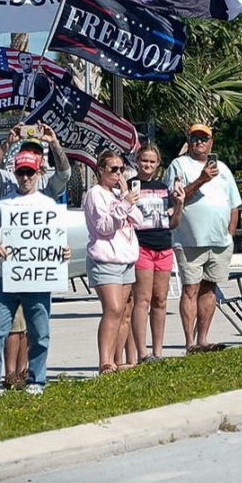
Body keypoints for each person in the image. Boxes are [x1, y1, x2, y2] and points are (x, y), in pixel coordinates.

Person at [0, 147, 68, 395]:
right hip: (7, 277)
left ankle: (36, 380)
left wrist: (63, 253)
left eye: (29, 172)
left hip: (37, 279)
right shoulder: (4, 203)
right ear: (15, 173)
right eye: (20, 172)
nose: (25, 177)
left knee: (40, 333)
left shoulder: (48, 204)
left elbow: (56, 242)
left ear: (38, 172)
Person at [164, 122, 242, 351]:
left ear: (211, 142)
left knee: (210, 289)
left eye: (204, 138)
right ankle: (190, 342)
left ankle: (203, 339)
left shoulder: (224, 169)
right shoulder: (179, 165)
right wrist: (201, 179)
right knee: (190, 289)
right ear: (188, 141)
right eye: (195, 138)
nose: (200, 142)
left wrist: (231, 233)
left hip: (219, 241)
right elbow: (175, 199)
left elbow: (234, 204)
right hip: (190, 240)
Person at [83, 150, 143, 372]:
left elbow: (138, 220)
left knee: (125, 312)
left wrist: (126, 197)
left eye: (121, 169)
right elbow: (104, 228)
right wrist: (123, 205)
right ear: (101, 170)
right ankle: (105, 361)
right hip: (105, 259)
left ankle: (118, 360)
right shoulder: (95, 194)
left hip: (126, 259)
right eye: (113, 169)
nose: (118, 174)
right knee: (113, 309)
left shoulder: (119, 195)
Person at [129, 142, 177, 360]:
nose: (147, 164)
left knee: (161, 299)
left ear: (158, 164)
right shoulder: (130, 185)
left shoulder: (163, 188)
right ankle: (142, 352)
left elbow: (173, 221)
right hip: (141, 246)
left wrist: (180, 203)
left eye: (152, 161)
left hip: (164, 245)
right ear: (137, 161)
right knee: (143, 300)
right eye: (144, 160)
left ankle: (158, 351)